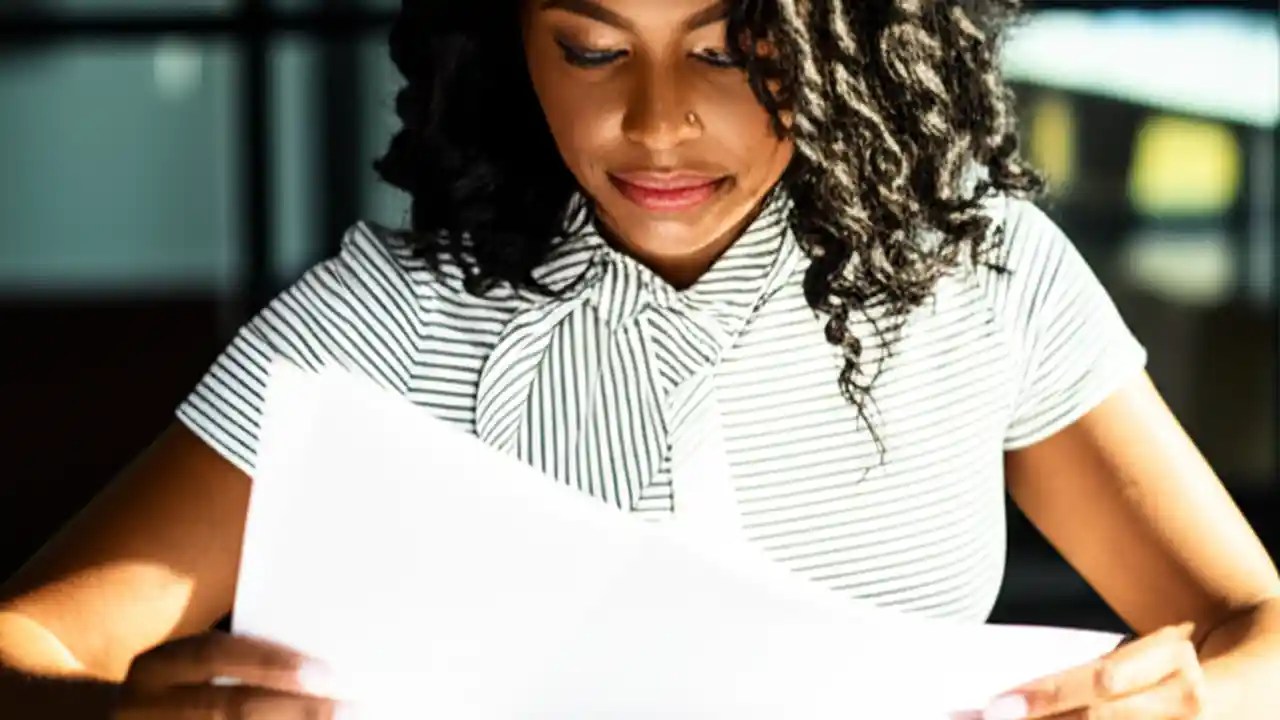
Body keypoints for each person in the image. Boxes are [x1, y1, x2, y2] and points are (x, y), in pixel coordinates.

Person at [2, 0, 1278, 717]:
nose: (657, 120)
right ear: (511, 43)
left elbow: (1256, 624)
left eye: (728, 50)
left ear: (851, 43)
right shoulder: (384, 322)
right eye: (593, 48)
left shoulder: (981, 278)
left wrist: (1194, 706)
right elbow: (31, 647)